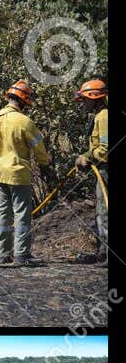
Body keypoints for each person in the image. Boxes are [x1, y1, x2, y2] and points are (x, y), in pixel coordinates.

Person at [0, 80, 50, 267]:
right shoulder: (24, 122)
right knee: (21, 214)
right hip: (17, 174)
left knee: (2, 214)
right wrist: (44, 165)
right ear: (24, 100)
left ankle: (2, 255)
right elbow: (39, 148)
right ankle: (22, 255)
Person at [75, 79, 108, 262]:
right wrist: (87, 156)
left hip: (105, 170)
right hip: (101, 169)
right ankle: (102, 252)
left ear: (95, 98)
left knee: (104, 211)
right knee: (101, 211)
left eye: (85, 99)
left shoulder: (104, 117)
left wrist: (87, 157)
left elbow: (106, 148)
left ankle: (107, 254)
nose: (83, 103)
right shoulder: (99, 115)